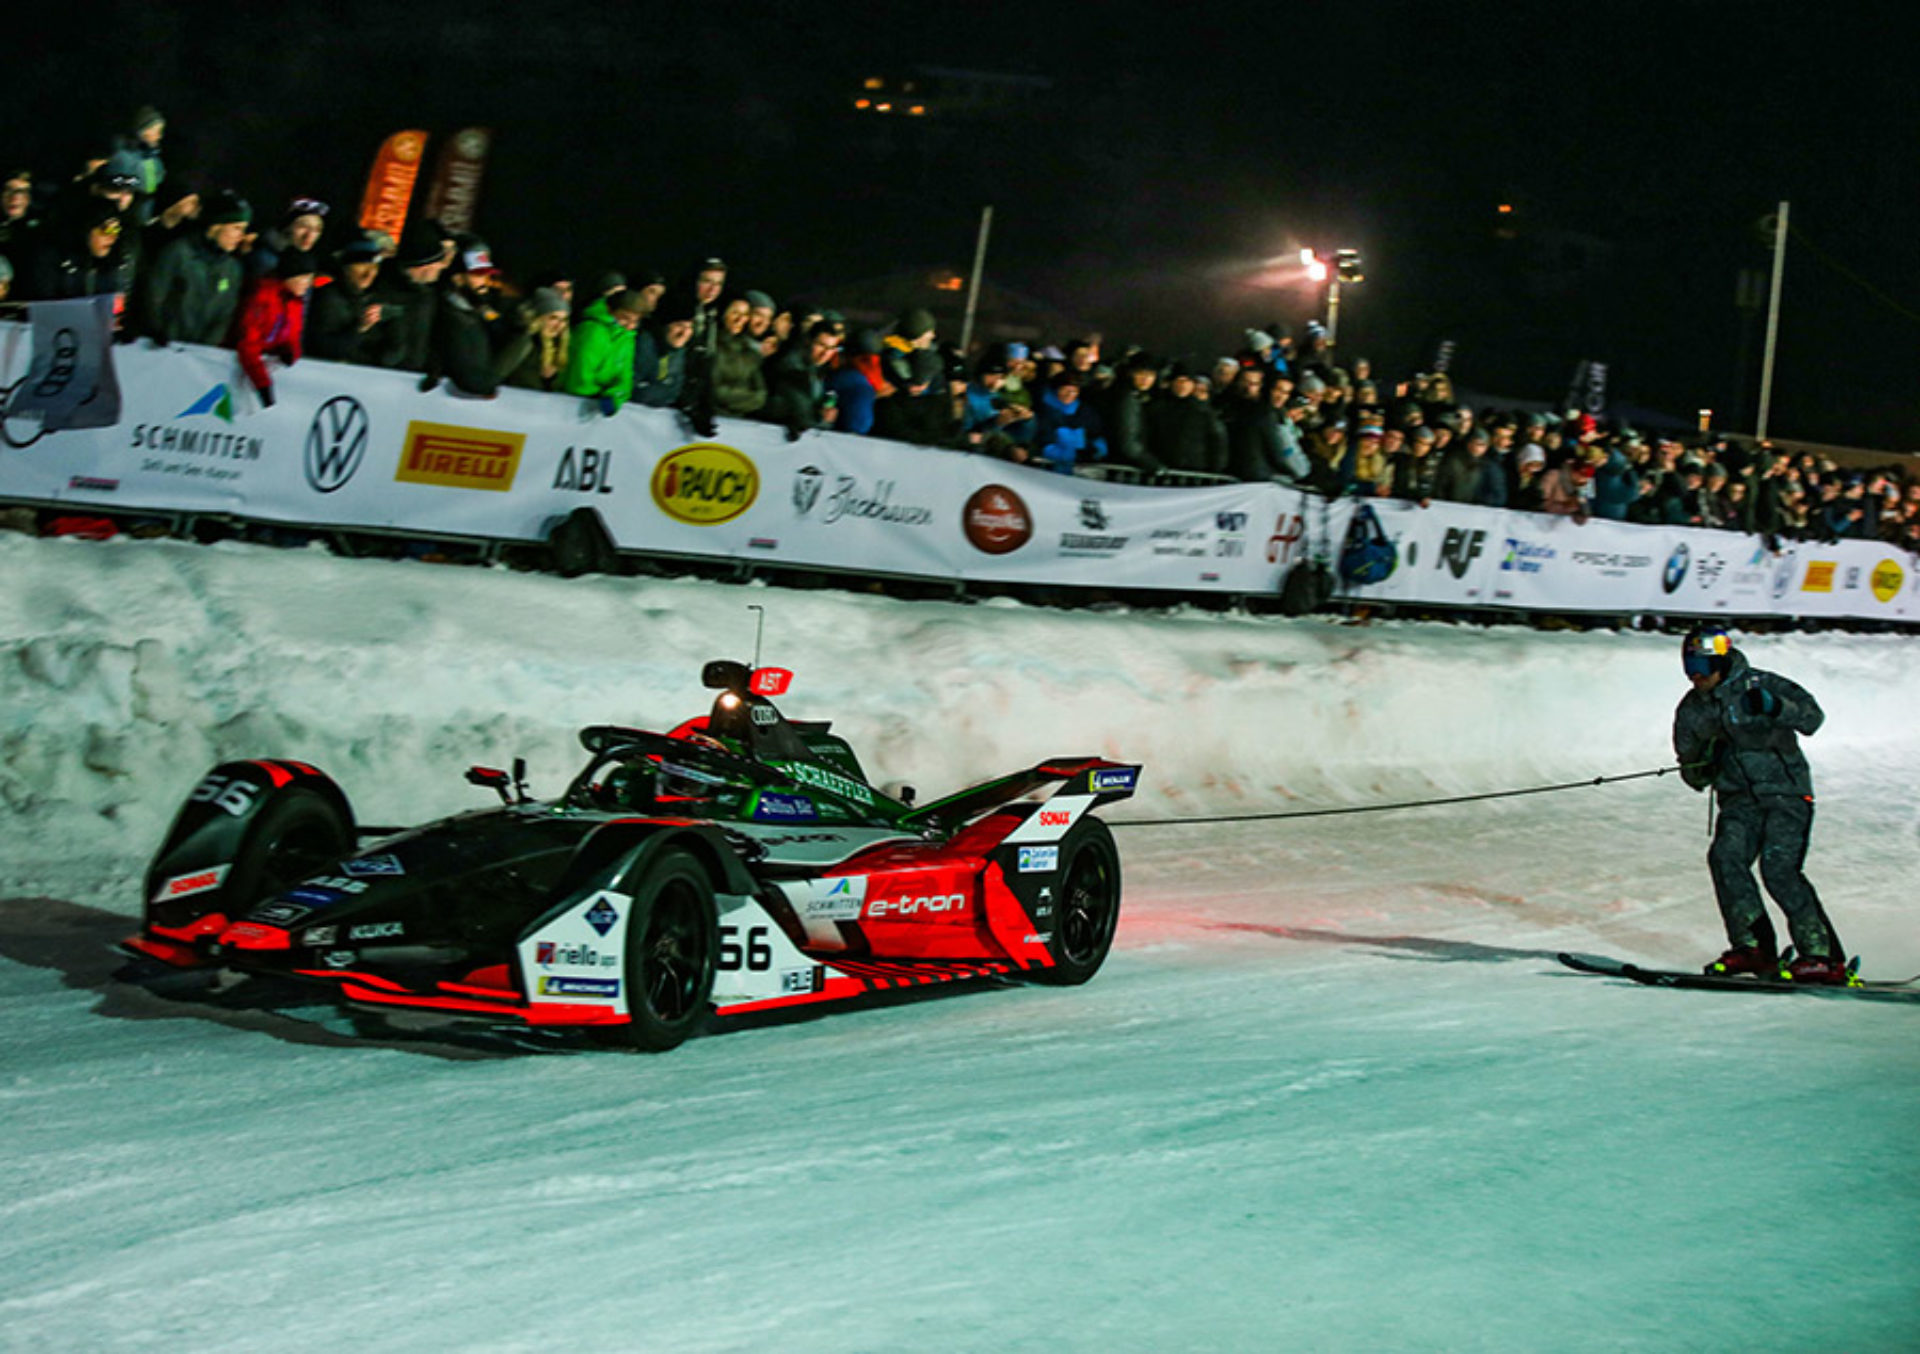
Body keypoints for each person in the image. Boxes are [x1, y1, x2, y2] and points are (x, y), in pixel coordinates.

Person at [1672, 626, 1846, 984]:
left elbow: (1812, 719)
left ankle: (1822, 956)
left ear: (1721, 662)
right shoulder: (1691, 710)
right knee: (1725, 859)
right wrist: (1706, 758)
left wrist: (1776, 707)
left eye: (1702, 665)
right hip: (1738, 801)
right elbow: (1693, 775)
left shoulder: (1762, 684)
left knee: (1779, 868)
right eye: (1689, 666)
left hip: (1786, 793)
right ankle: (1753, 948)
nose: (1695, 675)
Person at [233, 247, 315, 404]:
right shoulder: (262, 297)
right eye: (305, 278)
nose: (308, 284)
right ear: (291, 276)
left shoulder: (295, 302)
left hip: (262, 372)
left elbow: (294, 337)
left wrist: (291, 352)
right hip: (243, 372)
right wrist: (262, 384)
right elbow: (248, 344)